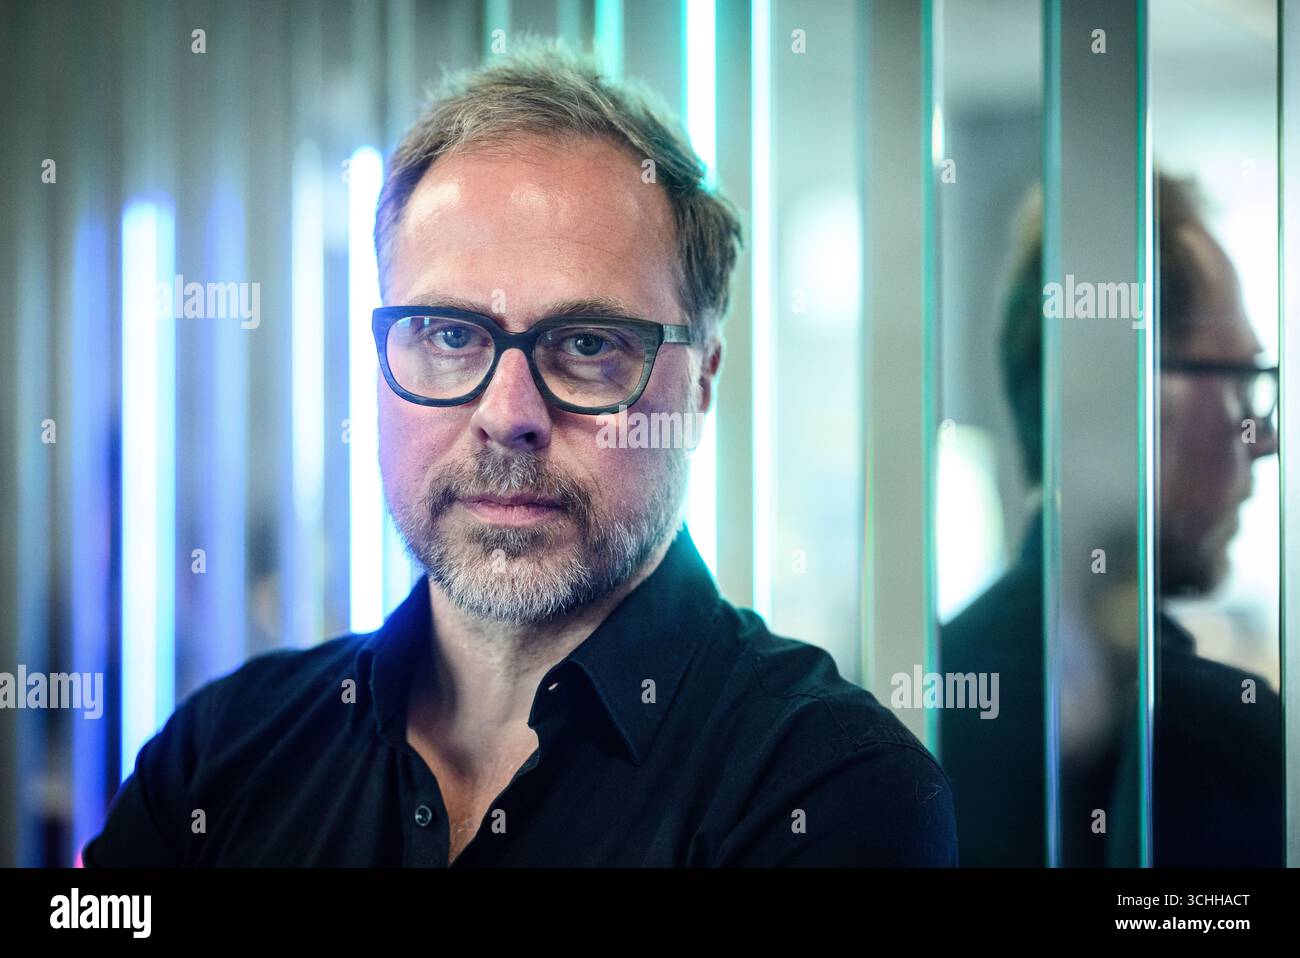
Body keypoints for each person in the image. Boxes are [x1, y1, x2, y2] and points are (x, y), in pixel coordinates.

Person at [84, 39, 956, 867]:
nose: (508, 415)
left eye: (586, 344)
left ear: (701, 384)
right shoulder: (218, 757)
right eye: (449, 333)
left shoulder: (830, 792)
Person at [941, 173, 1283, 866]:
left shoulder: (914, 695)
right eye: (1245, 381)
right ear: (1136, 396)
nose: (1264, 435)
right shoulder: (1227, 739)